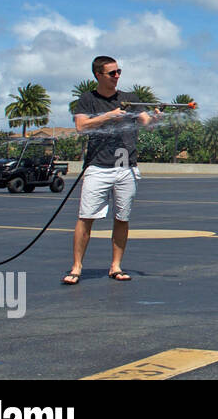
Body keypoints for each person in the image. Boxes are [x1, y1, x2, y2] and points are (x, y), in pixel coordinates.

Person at [62, 56, 161, 284]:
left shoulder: (130, 99)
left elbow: (147, 122)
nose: (117, 76)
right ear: (98, 75)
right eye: (112, 73)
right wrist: (108, 115)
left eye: (119, 72)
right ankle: (76, 267)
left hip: (126, 168)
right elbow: (80, 126)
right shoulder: (88, 100)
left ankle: (116, 266)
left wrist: (155, 118)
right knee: (86, 217)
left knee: (122, 218)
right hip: (98, 167)